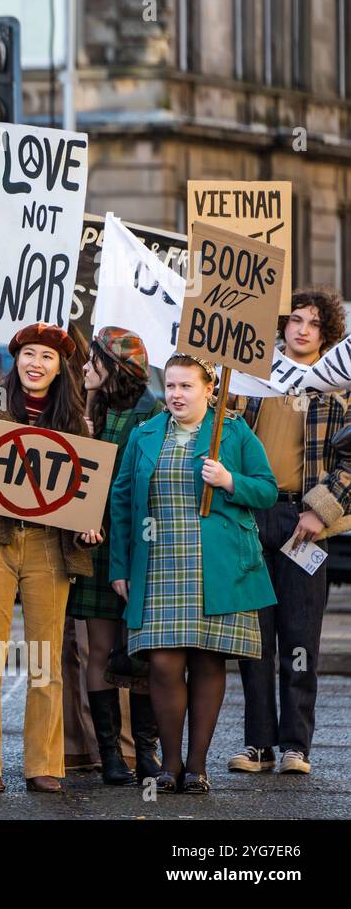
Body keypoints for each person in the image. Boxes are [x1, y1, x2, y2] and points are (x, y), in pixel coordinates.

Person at [0, 323, 103, 794]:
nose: (37, 363)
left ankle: (44, 764)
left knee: (45, 660)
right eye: (29, 354)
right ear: (16, 359)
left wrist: (90, 521)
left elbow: (84, 486)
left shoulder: (76, 418)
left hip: (49, 545)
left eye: (47, 357)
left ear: (60, 367)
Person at [110, 353, 276, 794]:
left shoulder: (234, 432)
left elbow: (267, 490)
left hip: (218, 566)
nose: (177, 395)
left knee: (207, 660)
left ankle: (197, 767)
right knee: (163, 662)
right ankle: (171, 763)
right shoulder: (145, 433)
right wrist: (120, 567)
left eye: (187, 386)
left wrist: (228, 481)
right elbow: (121, 500)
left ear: (209, 389)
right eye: (171, 386)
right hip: (159, 563)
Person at [229, 287, 351, 776]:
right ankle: (257, 744)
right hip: (250, 515)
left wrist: (319, 511)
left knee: (301, 636)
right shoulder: (250, 377)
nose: (302, 329)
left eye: (314, 324)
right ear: (281, 325)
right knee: (252, 637)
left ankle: (295, 744)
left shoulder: (336, 388)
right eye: (295, 319)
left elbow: (349, 462)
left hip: (305, 521)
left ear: (327, 334)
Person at [67, 327, 164, 785]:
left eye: (94, 361)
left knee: (141, 650)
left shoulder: (152, 413)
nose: (85, 369)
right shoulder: (88, 410)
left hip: (139, 544)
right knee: (100, 651)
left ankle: (147, 754)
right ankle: (110, 756)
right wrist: (78, 435)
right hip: (96, 544)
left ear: (114, 368)